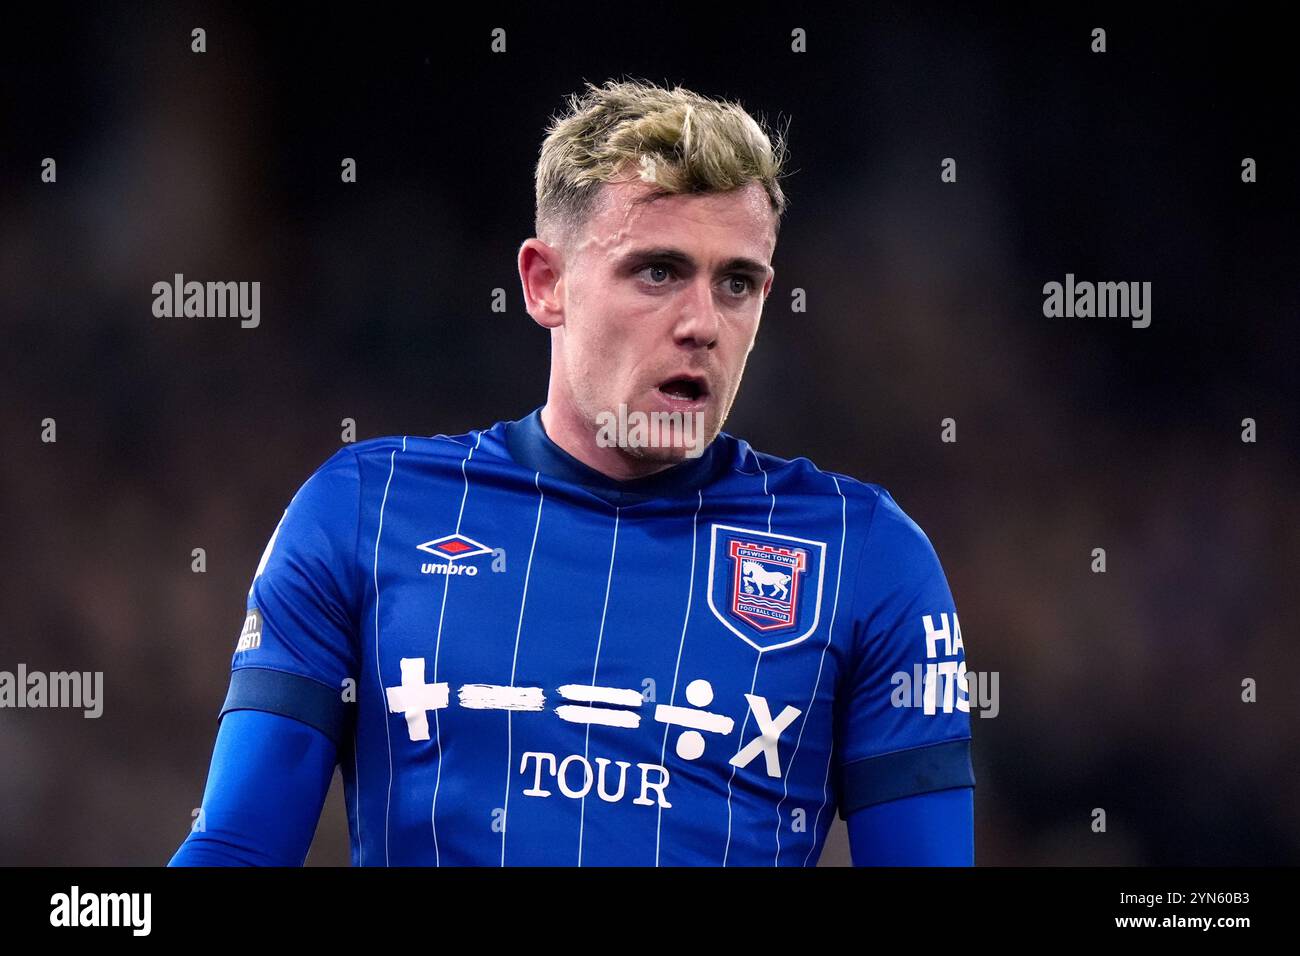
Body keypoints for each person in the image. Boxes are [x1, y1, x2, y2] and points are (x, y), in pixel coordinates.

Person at [170, 78, 974, 867]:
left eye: (737, 283)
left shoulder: (866, 557)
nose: (702, 324)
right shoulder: (363, 512)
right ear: (545, 283)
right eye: (657, 271)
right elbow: (238, 846)